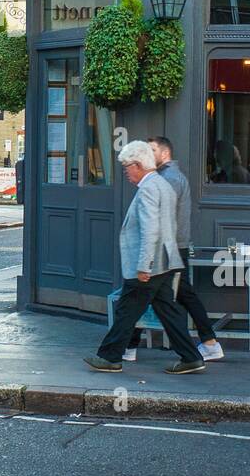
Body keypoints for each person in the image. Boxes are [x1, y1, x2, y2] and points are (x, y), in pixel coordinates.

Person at [84, 141, 205, 375]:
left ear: (138, 165)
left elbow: (151, 230)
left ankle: (109, 357)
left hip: (152, 264)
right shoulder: (162, 184)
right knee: (167, 311)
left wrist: (144, 265)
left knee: (127, 310)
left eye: (127, 167)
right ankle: (191, 357)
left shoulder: (149, 188)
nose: (126, 172)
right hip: (165, 261)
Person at [126, 136, 223, 363]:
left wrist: (147, 254)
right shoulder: (169, 177)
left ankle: (127, 346)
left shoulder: (166, 179)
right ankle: (208, 343)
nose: (147, 155)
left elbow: (157, 220)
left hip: (167, 249)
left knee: (144, 296)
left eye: (152, 150)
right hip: (173, 248)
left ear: (165, 154)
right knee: (169, 297)